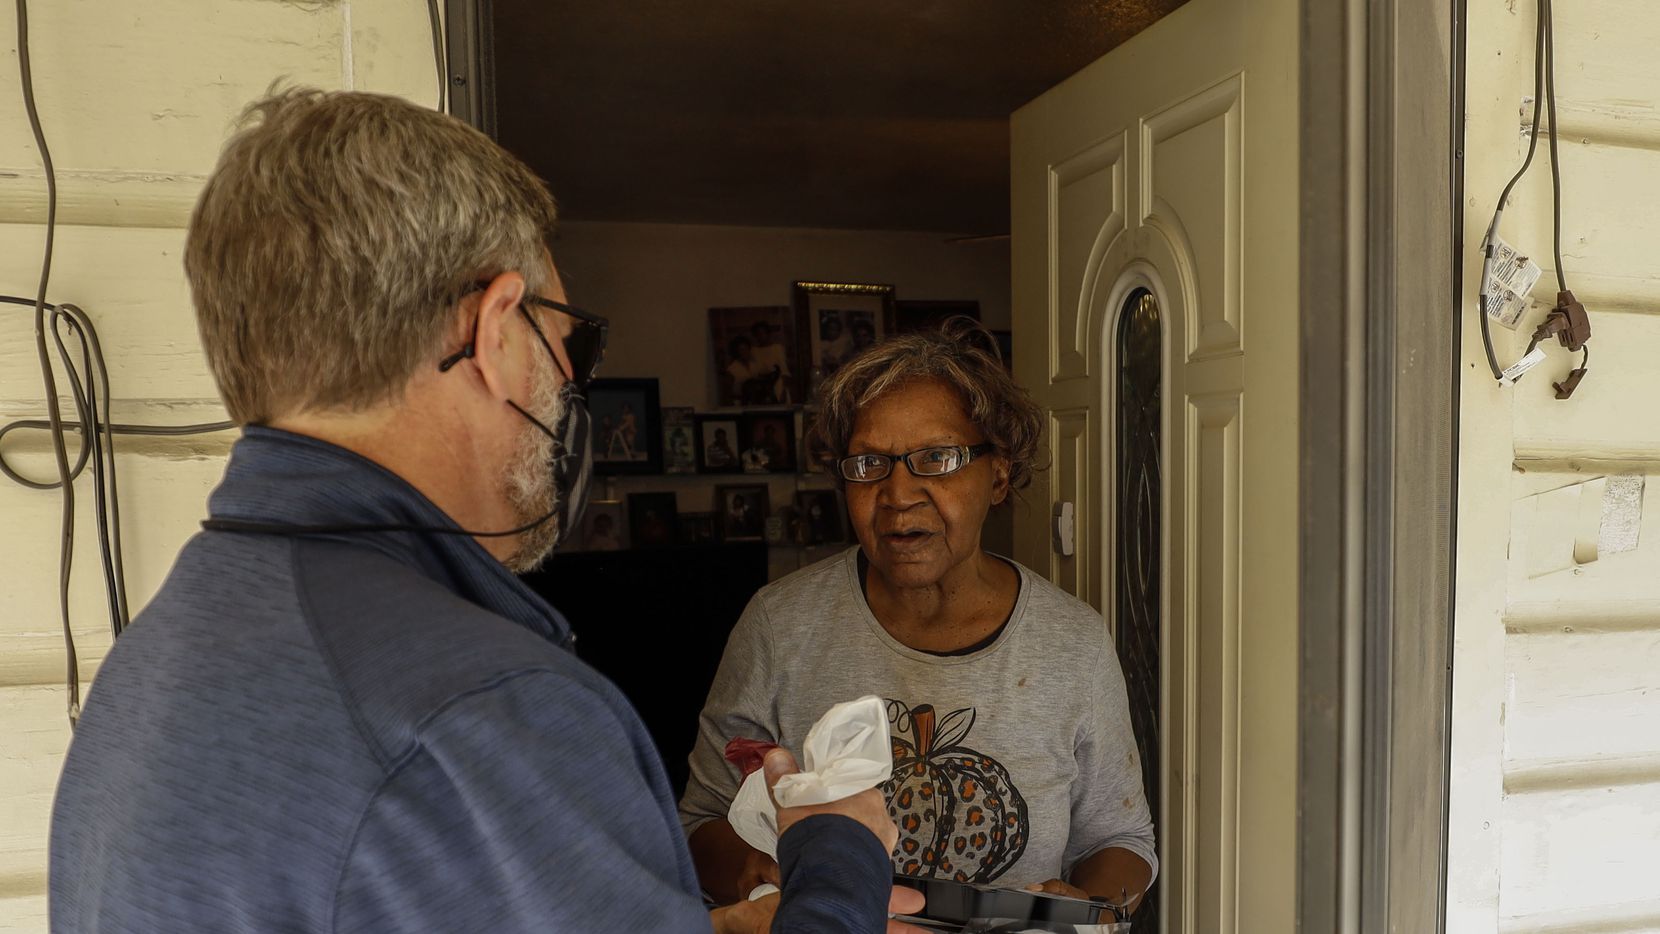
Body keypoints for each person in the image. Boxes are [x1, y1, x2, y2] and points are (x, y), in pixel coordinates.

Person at [48, 88, 923, 933]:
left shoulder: (155, 659)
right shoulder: (488, 708)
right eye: (570, 339)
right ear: (496, 328)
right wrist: (840, 854)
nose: (570, 380)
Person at [681, 319, 1157, 911]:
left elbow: (1121, 839)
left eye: (937, 458)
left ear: (1000, 473)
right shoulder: (781, 625)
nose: (898, 493)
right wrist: (757, 878)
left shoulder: (1072, 642)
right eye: (867, 464)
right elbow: (701, 819)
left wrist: (1087, 907)